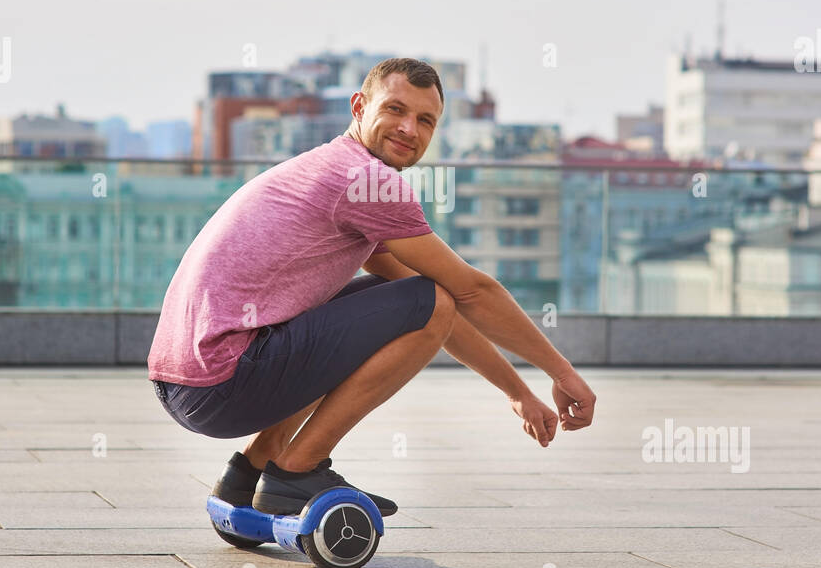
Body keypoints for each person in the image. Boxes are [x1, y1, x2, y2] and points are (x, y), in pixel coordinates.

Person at [148, 57, 596, 518]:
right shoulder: (368, 181)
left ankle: (249, 475)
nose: (409, 129)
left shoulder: (335, 169)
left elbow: (435, 315)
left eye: (425, 120)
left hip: (185, 383)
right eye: (395, 110)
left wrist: (517, 391)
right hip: (222, 382)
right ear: (359, 106)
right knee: (428, 300)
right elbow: (469, 293)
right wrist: (563, 374)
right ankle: (297, 472)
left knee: (399, 306)